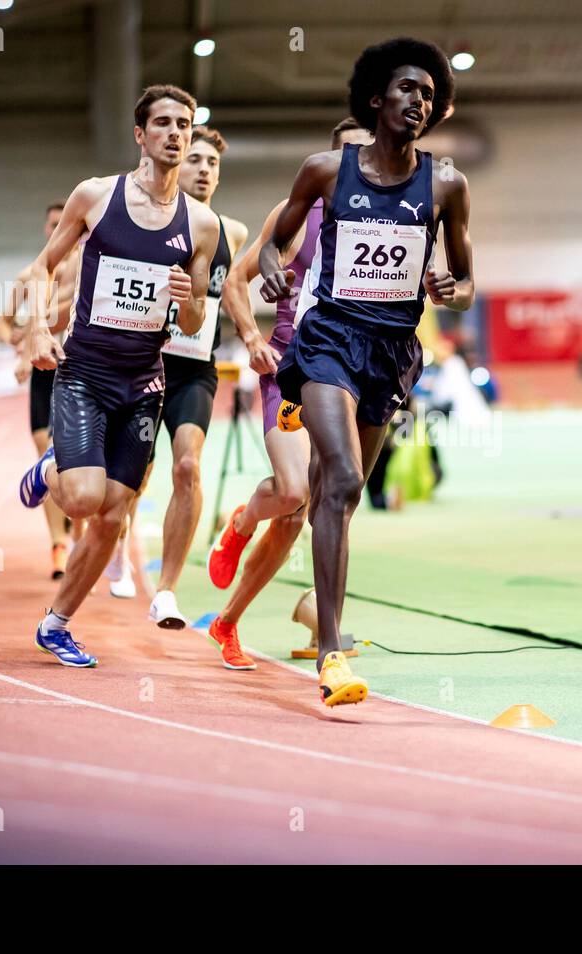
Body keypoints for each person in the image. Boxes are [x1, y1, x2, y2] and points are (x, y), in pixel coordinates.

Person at [258, 38, 475, 705]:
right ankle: (330, 652)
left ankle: (317, 619)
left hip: (392, 352)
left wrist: (450, 286)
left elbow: (467, 280)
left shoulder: (446, 184)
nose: (420, 101)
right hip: (328, 340)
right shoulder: (326, 170)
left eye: (430, 95)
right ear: (377, 99)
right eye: (408, 89)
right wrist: (270, 265)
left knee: (341, 496)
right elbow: (276, 242)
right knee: (343, 474)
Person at [16, 84, 222, 668]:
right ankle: (52, 469)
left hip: (144, 384)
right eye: (162, 123)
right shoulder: (96, 197)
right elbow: (41, 267)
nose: (175, 133)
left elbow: (194, 317)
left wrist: (188, 298)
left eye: (184, 123)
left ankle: (56, 625)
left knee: (112, 516)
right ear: (141, 134)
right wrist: (35, 328)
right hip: (85, 372)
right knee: (82, 499)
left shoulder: (201, 225)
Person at [204, 117, 373, 671]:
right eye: (348, 157)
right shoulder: (297, 212)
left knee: (303, 516)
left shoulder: (388, 223)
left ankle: (228, 622)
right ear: (330, 164)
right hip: (290, 369)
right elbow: (235, 279)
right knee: (295, 490)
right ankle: (241, 521)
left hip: (349, 375)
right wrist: (252, 339)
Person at [107, 125, 250, 626]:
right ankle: (118, 548)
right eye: (196, 161)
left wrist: (253, 335)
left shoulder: (230, 232)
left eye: (213, 163)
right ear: (176, 164)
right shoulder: (146, 222)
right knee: (135, 475)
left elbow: (232, 291)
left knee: (187, 466)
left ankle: (166, 590)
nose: (205, 170)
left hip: (194, 371)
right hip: (143, 366)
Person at [0, 203, 81, 579]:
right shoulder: (30, 274)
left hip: (79, 365)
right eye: (52, 224)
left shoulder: (86, 269)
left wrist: (35, 325)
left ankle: (78, 535)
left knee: (78, 456)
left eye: (64, 223)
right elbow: (2, 322)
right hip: (44, 369)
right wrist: (16, 340)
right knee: (45, 450)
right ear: (48, 229)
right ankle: (58, 545)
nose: (58, 229)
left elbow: (65, 310)